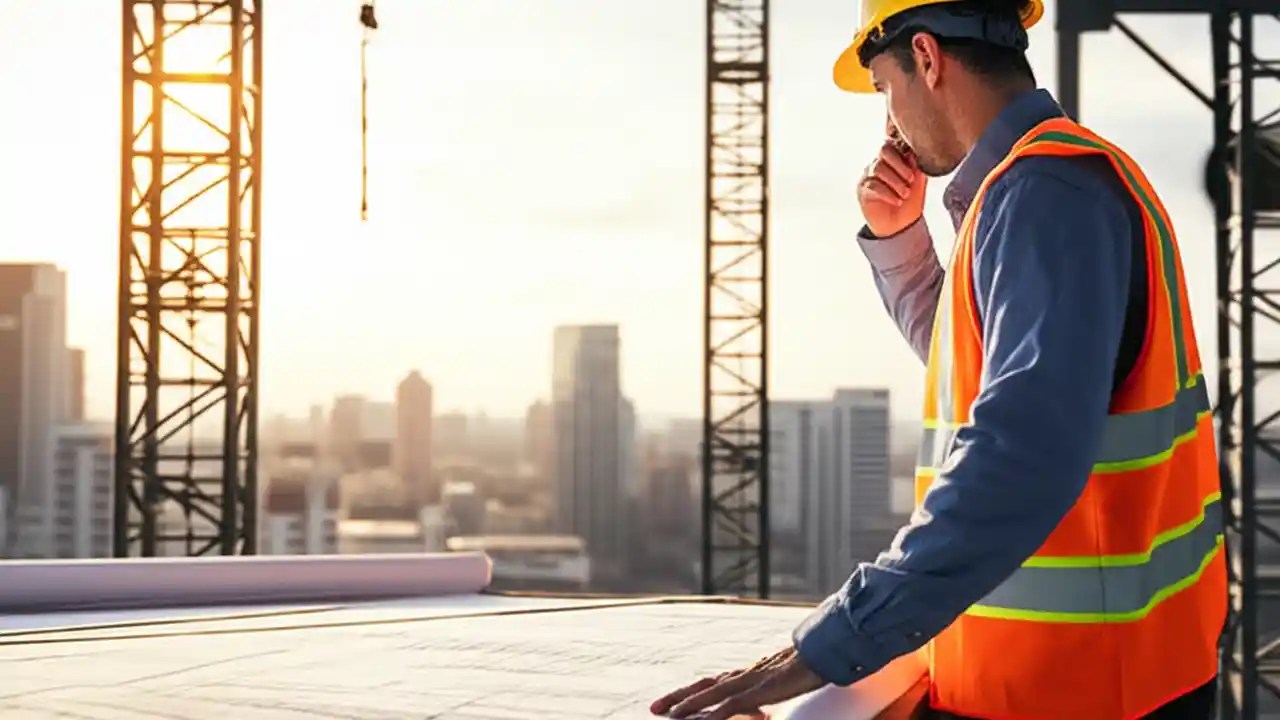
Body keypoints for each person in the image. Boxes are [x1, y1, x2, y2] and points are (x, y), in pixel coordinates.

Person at [650, 0, 1226, 718]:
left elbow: (1020, 455)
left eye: (885, 88)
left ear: (926, 57)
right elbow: (988, 380)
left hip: (1075, 696)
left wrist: (829, 643)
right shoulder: (1038, 190)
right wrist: (901, 242)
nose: (888, 121)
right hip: (1096, 685)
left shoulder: (1046, 194)